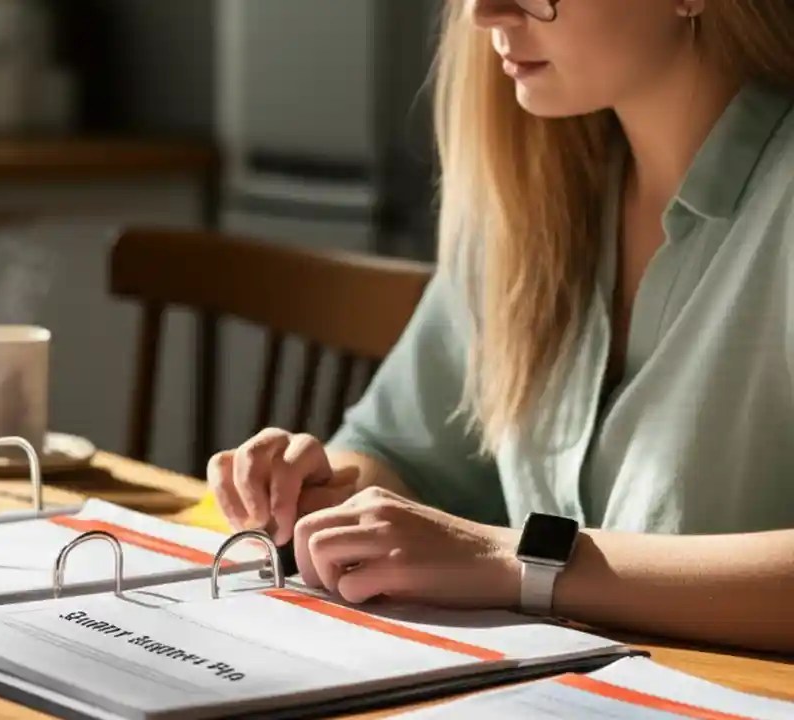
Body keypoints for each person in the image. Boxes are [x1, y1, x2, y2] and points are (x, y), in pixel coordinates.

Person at [210, 0, 794, 654]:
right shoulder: (536, 195)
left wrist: (518, 561)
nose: (486, 13)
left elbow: (487, 555)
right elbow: (403, 456)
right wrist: (323, 489)